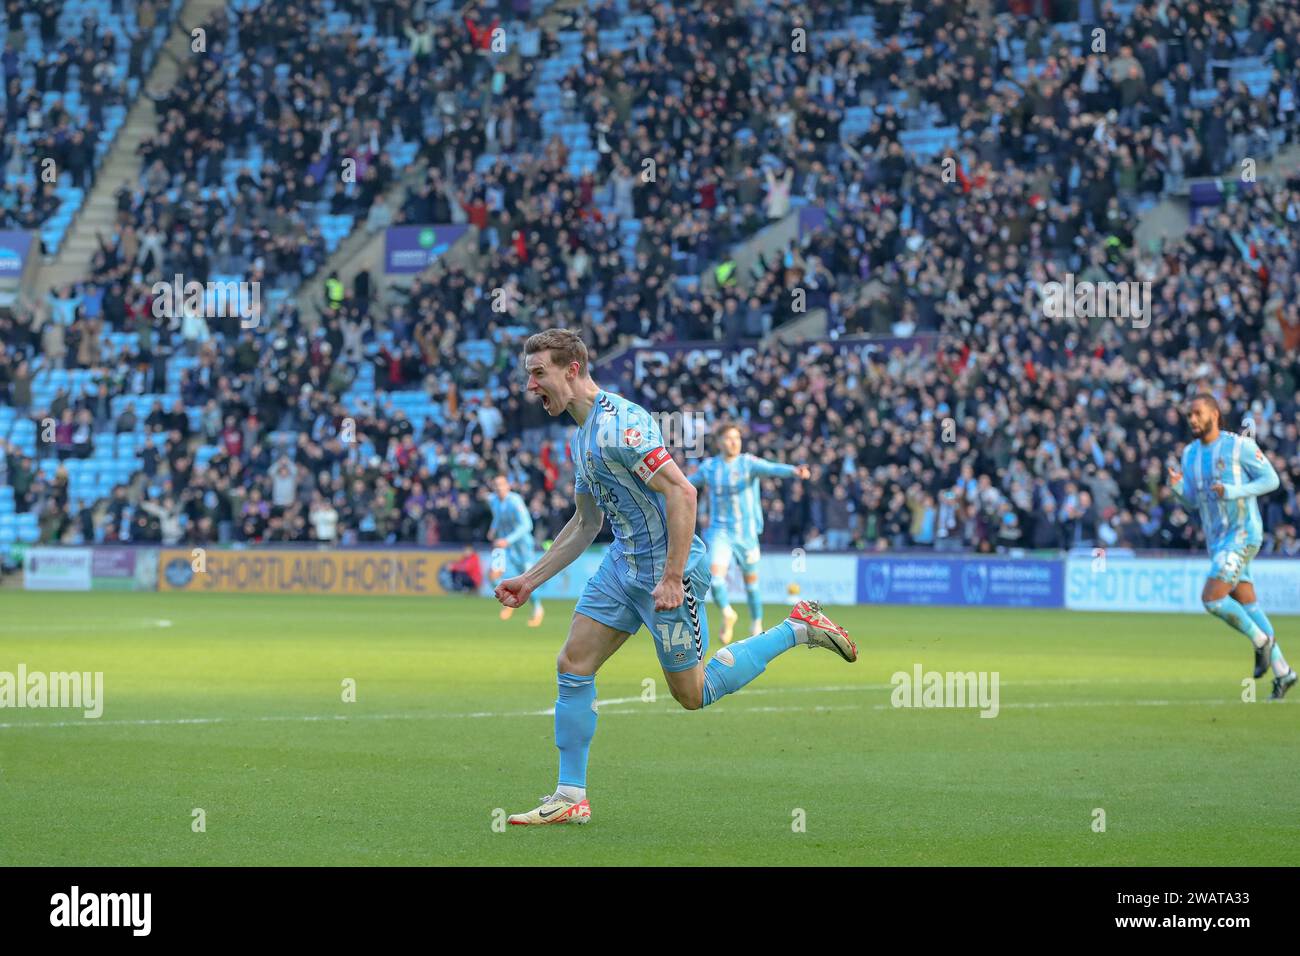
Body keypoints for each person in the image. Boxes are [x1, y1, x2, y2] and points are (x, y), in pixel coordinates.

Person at [494, 329, 856, 826]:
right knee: (573, 663)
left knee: (692, 693)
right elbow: (585, 523)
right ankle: (570, 795)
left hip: (669, 573)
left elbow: (683, 493)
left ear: (571, 369)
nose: (530, 386)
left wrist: (672, 576)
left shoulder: (624, 425)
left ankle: (796, 627)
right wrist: (530, 580)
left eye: (539, 374)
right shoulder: (582, 438)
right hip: (623, 565)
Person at [1168, 394, 1295, 700]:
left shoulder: (1239, 446)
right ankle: (1284, 671)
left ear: (1215, 413)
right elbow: (1194, 502)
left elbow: (1272, 480)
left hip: (1242, 533)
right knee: (1248, 603)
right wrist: (1178, 490)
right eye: (1189, 416)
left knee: (1212, 599)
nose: (1193, 420)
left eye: (1198, 413)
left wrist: (1235, 491)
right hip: (1217, 540)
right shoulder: (1189, 455)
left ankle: (1261, 642)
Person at [688, 424, 810, 643]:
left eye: (737, 438)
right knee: (715, 579)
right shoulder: (710, 467)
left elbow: (772, 469)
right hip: (720, 532)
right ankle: (728, 613)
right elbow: (687, 486)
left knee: (751, 584)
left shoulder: (747, 463)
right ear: (719, 443)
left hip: (746, 532)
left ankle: (756, 625)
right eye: (729, 438)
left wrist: (794, 471)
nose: (734, 442)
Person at [487, 473, 542, 626]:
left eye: (501, 485)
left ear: (508, 486)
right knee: (493, 575)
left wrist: (508, 539)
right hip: (504, 546)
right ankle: (508, 601)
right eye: (496, 486)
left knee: (528, 580)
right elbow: (497, 517)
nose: (498, 489)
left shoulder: (515, 501)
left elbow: (527, 525)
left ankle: (538, 609)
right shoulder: (493, 500)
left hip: (522, 546)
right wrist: (493, 529)